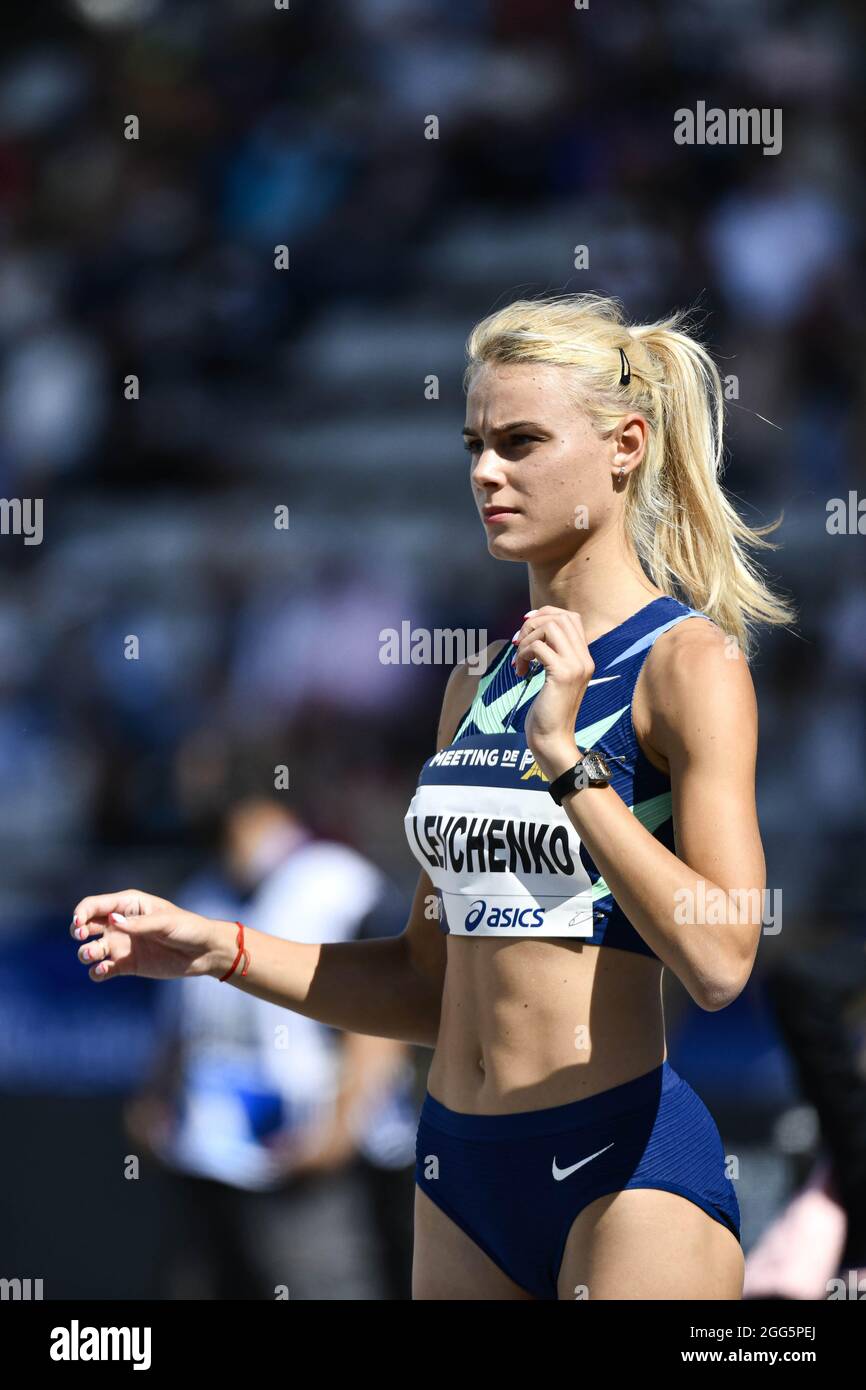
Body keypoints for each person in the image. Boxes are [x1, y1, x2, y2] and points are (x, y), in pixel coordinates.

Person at [71, 292, 796, 1300]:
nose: (484, 473)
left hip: (621, 1169)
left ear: (624, 445)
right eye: (473, 444)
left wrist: (571, 769)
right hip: (458, 1170)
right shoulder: (474, 683)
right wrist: (218, 949)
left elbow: (721, 957)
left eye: (519, 441)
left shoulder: (685, 664)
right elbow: (423, 985)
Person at [126, 795, 417, 1300]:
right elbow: (184, 1023)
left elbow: (386, 1005)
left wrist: (338, 1129)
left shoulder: (338, 882)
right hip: (210, 1157)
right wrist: (155, 1096)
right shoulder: (202, 891)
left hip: (311, 1160)